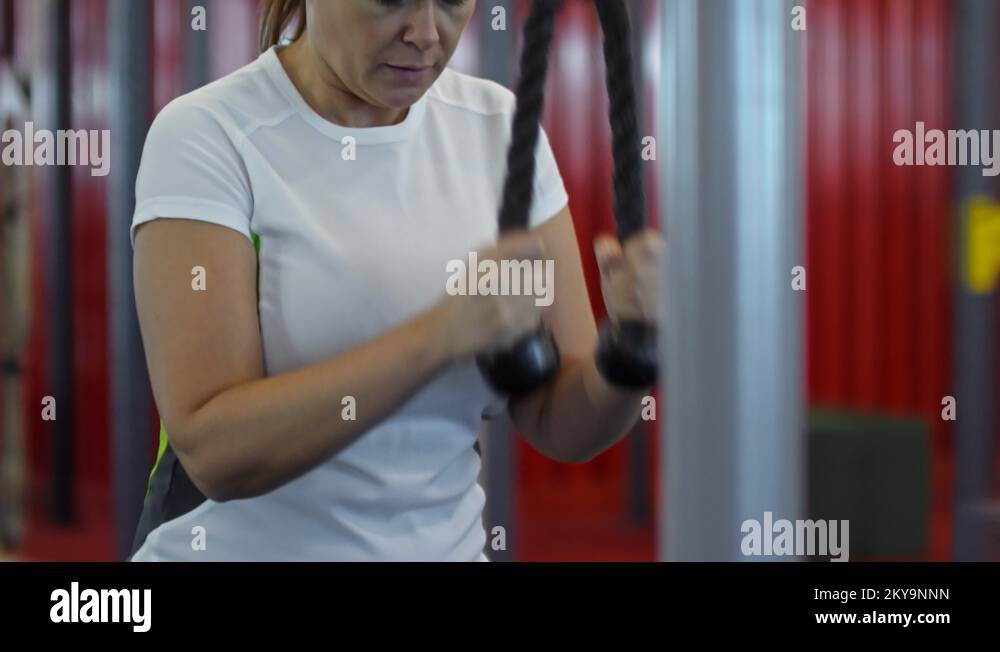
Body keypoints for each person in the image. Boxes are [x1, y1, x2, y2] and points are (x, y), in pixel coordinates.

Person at [129, 0, 663, 562]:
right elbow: (215, 454)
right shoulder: (209, 134)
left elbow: (561, 422)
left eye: (453, 3)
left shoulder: (498, 127)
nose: (426, 34)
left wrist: (630, 351)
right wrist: (440, 336)